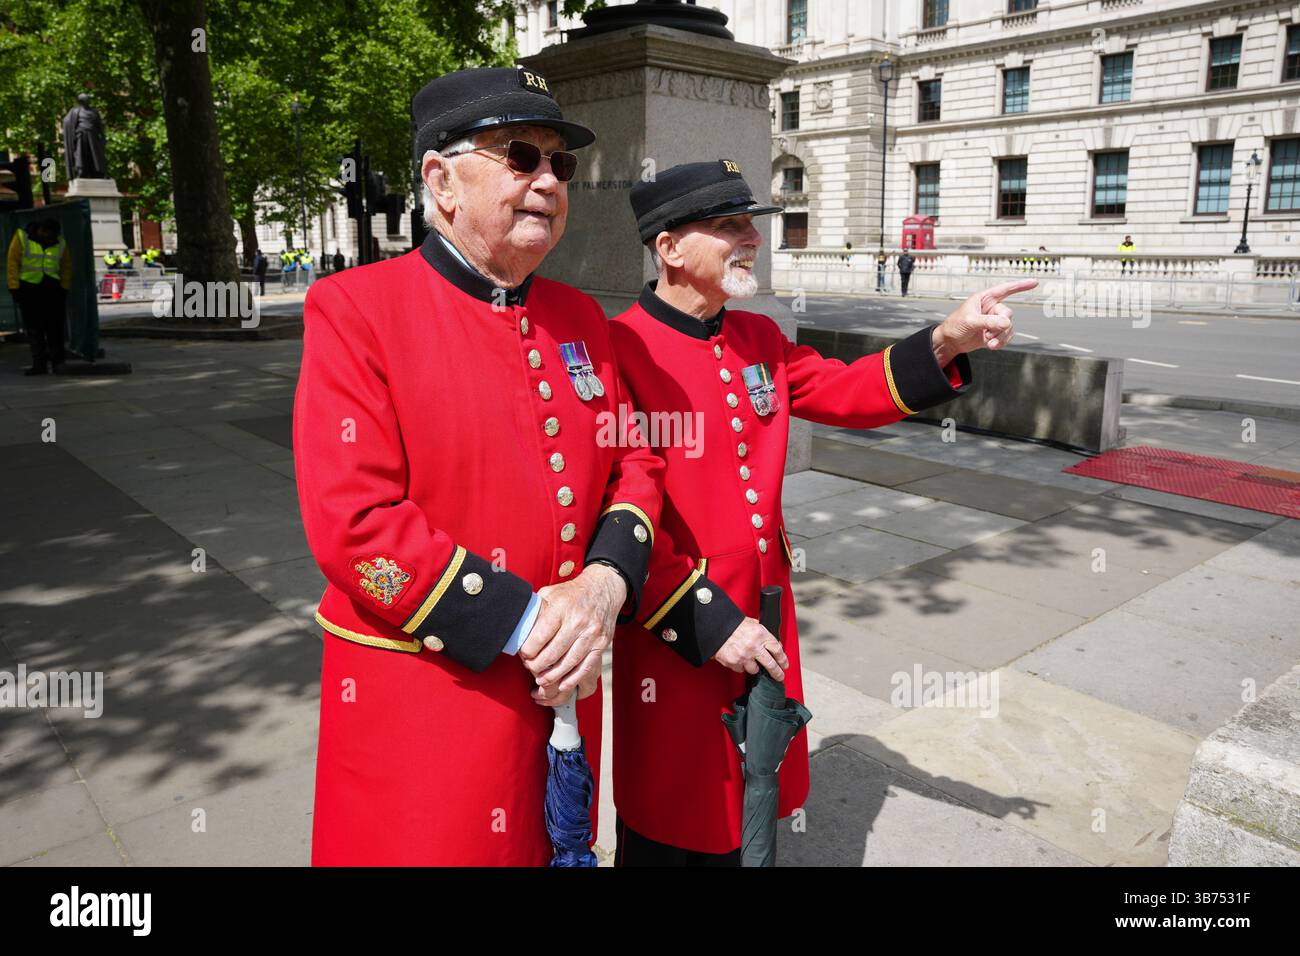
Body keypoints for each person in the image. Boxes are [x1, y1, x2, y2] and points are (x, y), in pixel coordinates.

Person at [607, 159, 1036, 865]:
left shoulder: (755, 339)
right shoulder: (618, 348)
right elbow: (616, 513)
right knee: (677, 807)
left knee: (756, 793)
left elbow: (846, 390)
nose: (751, 238)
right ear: (670, 248)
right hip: (676, 622)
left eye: (752, 224)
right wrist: (705, 619)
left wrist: (946, 341)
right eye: (729, 226)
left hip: (767, 611)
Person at [293, 65, 664, 866]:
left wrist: (603, 584)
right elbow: (355, 531)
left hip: (562, 699)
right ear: (441, 180)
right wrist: (535, 623)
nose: (548, 180)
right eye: (520, 155)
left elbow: (634, 463)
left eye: (560, 165)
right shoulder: (355, 309)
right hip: (432, 709)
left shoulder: (578, 318)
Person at [6, 218, 71, 375]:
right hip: (29, 289)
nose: (51, 239)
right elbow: (12, 263)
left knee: (55, 329)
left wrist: (64, 287)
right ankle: (39, 364)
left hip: (53, 289)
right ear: (40, 230)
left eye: (53, 236)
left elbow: (66, 266)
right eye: (48, 235)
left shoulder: (60, 242)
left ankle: (58, 362)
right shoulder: (22, 238)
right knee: (34, 329)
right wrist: (14, 287)